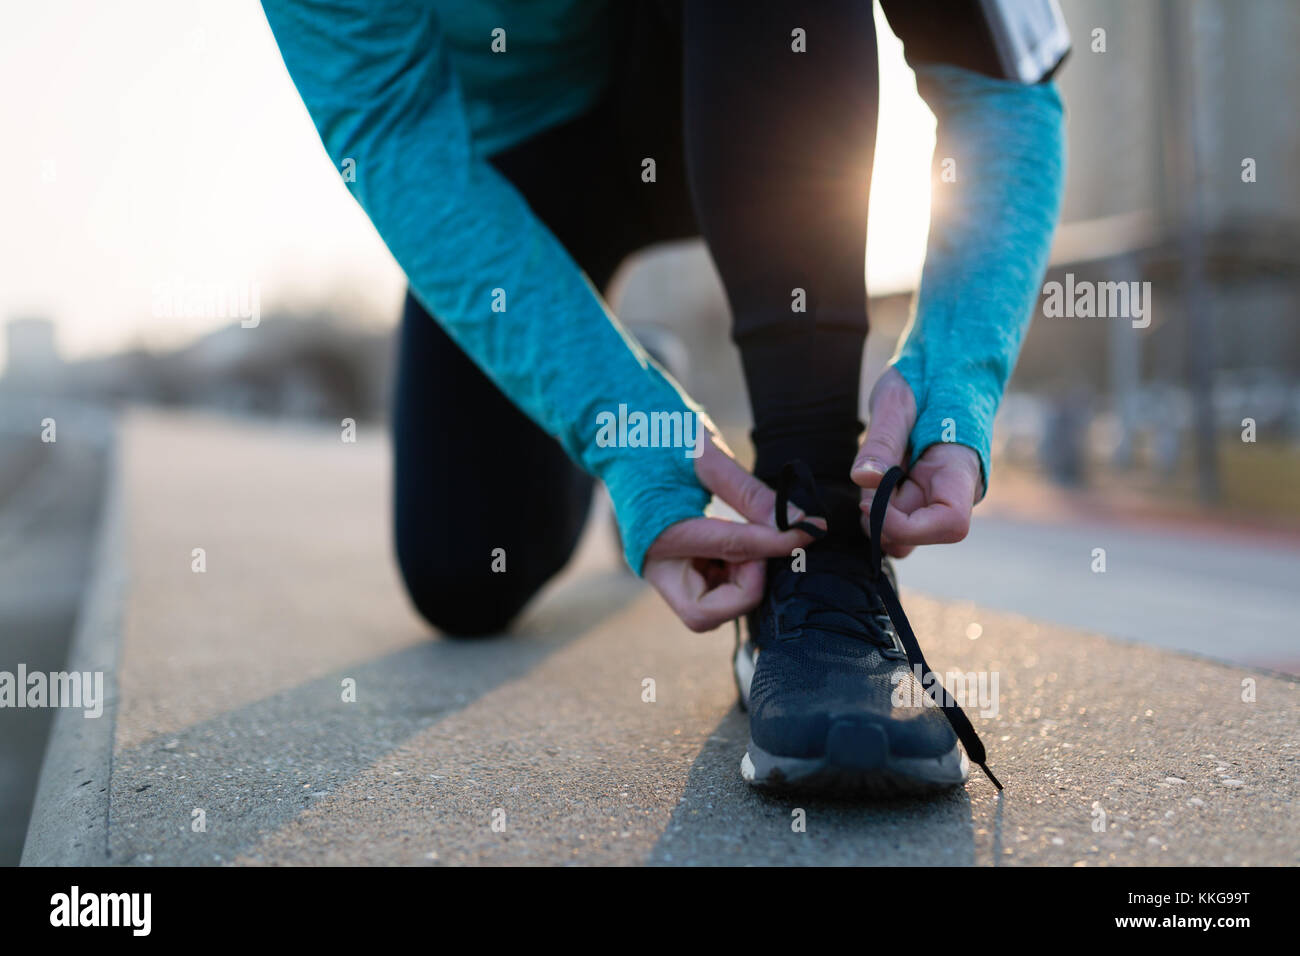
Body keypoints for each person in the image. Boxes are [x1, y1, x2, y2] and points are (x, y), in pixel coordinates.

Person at [258, 0, 1067, 794]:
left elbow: (1007, 85)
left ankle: (814, 532)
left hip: (747, 79)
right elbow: (392, 136)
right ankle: (624, 367)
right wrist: (613, 413)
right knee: (463, 575)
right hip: (510, 169)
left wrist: (959, 367)